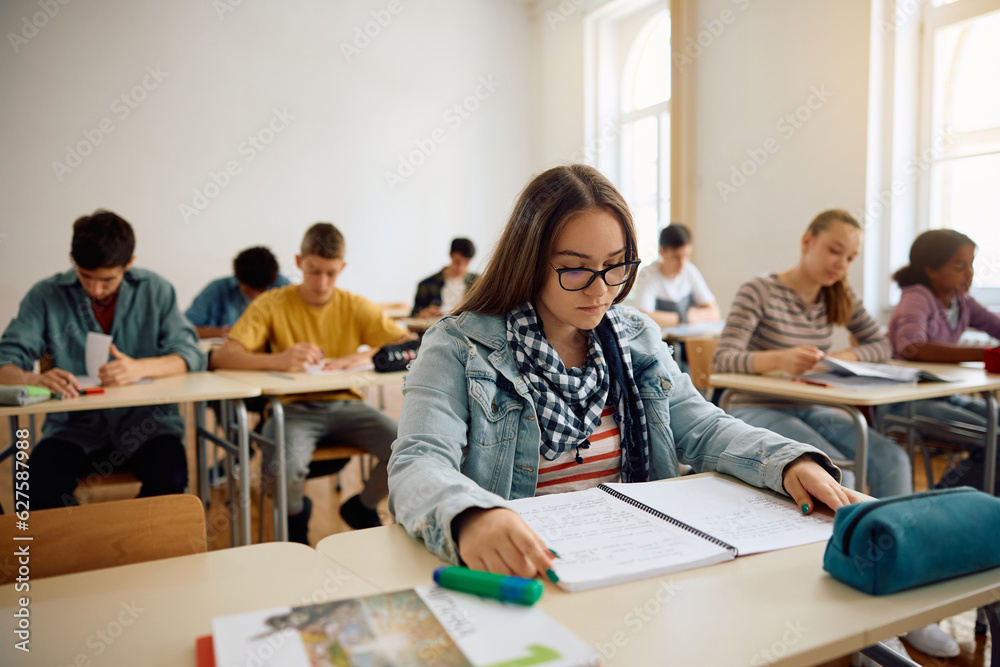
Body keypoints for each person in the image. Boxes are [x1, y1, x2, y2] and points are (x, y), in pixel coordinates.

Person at [388, 165, 862, 581]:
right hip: (525, 568)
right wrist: (471, 516)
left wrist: (789, 462)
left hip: (636, 561)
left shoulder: (635, 337)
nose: (602, 290)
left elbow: (702, 425)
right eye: (575, 270)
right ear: (529, 261)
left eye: (616, 267)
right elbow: (418, 462)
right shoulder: (458, 344)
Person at [712, 210, 957, 660]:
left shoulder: (837, 295)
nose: (840, 264)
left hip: (817, 402)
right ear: (807, 240)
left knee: (891, 460)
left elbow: (884, 344)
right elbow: (724, 359)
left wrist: (845, 353)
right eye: (833, 250)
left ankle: (910, 602)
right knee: (824, 464)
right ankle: (863, 617)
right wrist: (779, 359)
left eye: (850, 257)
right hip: (756, 406)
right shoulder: (759, 290)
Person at [211, 223, 414, 543]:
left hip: (346, 404)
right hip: (291, 408)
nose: (322, 283)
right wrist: (278, 359)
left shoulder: (354, 305)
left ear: (342, 268)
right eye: (313, 271)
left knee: (407, 445)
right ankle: (295, 521)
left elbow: (412, 344)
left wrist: (366, 356)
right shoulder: (271, 303)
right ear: (299, 261)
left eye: (331, 273)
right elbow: (223, 356)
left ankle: (362, 506)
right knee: (281, 466)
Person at [0, 210, 205, 508]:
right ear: (73, 262)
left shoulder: (156, 290)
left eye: (107, 280)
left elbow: (191, 354)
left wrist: (139, 368)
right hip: (73, 428)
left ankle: (136, 546)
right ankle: (83, 548)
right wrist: (34, 379)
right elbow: (5, 361)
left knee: (170, 484)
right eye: (86, 277)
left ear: (129, 263)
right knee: (34, 489)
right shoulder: (45, 295)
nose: (95, 289)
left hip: (147, 426)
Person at [886, 229, 1000, 491]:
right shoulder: (917, 297)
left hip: (944, 395)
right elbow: (911, 347)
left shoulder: (962, 302)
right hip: (904, 402)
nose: (969, 274)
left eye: (971, 264)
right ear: (931, 270)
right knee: (993, 441)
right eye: (960, 266)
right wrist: (985, 355)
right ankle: (943, 504)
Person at [185, 246, 291, 339]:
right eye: (248, 291)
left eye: (262, 291)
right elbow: (184, 329)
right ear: (238, 279)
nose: (255, 297)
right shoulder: (217, 289)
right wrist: (221, 332)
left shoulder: (283, 287)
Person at [631, 223, 720, 326]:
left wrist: (665, 318)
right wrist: (685, 317)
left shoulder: (690, 271)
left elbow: (714, 313)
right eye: (676, 257)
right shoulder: (647, 274)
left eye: (687, 256)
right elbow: (643, 317)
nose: (682, 264)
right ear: (662, 252)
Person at [411, 238, 478, 317]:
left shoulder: (478, 283)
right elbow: (412, 321)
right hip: (435, 328)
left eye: (466, 262)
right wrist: (422, 315)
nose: (461, 268)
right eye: (457, 262)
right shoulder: (426, 285)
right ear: (450, 255)